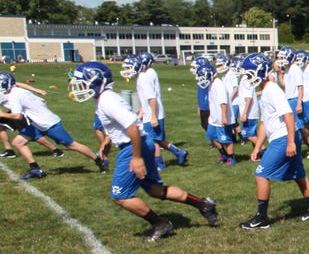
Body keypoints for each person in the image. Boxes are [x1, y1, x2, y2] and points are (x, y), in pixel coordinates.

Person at [68, 61, 217, 242]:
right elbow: (122, 125)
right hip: (139, 143)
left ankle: (161, 223)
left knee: (120, 196)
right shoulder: (103, 99)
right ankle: (202, 204)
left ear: (97, 81)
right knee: (154, 189)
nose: (79, 88)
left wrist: (136, 157)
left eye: (83, 83)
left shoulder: (107, 100)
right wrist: (107, 142)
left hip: (133, 146)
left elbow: (132, 126)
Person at [238, 53, 309, 228]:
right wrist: (257, 147)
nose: (247, 78)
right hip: (282, 137)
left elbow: (288, 114)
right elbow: (265, 123)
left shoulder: (271, 90)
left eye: (249, 74)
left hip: (283, 139)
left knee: (261, 174)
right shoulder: (265, 90)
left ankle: (262, 217)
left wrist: (291, 141)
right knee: (298, 174)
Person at [0, 72, 106, 179]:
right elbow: (43, 101)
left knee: (72, 145)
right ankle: (36, 170)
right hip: (38, 123)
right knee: (18, 142)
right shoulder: (19, 91)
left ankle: (99, 161)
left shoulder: (14, 95)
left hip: (49, 123)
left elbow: (18, 116)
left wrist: (3, 114)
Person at [124, 52, 188, 170]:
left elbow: (152, 98)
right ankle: (179, 152)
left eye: (129, 67)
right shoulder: (143, 75)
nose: (127, 70)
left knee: (154, 141)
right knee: (158, 139)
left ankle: (159, 164)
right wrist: (140, 114)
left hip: (153, 114)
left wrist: (153, 116)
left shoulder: (145, 77)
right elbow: (144, 100)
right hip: (150, 113)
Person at [196, 63, 236, 165]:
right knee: (211, 137)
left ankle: (231, 158)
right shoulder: (210, 84)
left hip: (221, 117)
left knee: (226, 139)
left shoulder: (218, 84)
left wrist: (223, 117)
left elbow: (223, 102)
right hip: (213, 117)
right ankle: (224, 154)